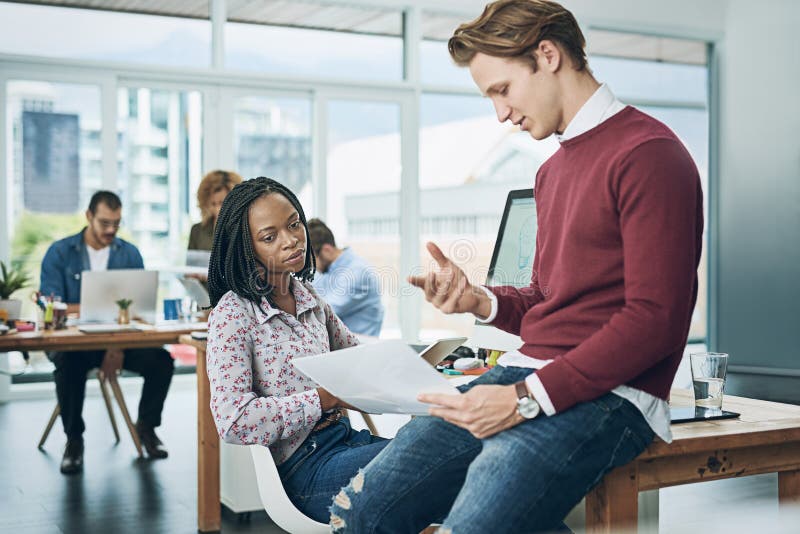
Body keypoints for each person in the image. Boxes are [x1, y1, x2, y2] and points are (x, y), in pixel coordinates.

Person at [330, 1, 704, 532]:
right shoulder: (551, 173)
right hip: (526, 373)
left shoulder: (650, 154)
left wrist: (524, 399)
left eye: (502, 90)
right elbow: (550, 302)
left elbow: (655, 321)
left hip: (614, 394)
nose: (501, 115)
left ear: (547, 55)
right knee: (362, 509)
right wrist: (480, 301)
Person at [205, 177, 389, 523]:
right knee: (432, 463)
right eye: (269, 237)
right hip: (304, 470)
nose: (291, 240)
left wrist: (416, 369)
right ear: (246, 248)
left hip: (346, 441)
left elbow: (356, 359)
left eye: (294, 224)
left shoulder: (308, 296)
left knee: (446, 447)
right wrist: (324, 399)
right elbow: (233, 420)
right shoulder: (233, 314)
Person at [40, 191, 175, 475]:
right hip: (75, 344)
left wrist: (116, 348)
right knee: (67, 363)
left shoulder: (130, 254)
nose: (111, 230)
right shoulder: (60, 253)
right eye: (104, 223)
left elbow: (136, 309)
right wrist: (92, 309)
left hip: (120, 341)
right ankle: (74, 440)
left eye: (116, 223)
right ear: (88, 216)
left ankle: (146, 428)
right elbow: (52, 305)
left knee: (162, 361)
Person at [307, 218, 384, 337]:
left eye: (312, 261)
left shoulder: (357, 272)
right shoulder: (327, 271)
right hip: (339, 345)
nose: (312, 267)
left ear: (327, 250)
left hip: (361, 346)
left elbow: (323, 313)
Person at [188, 169, 243, 252]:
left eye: (222, 203)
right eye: (213, 204)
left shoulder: (243, 230)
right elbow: (191, 260)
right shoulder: (197, 231)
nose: (218, 209)